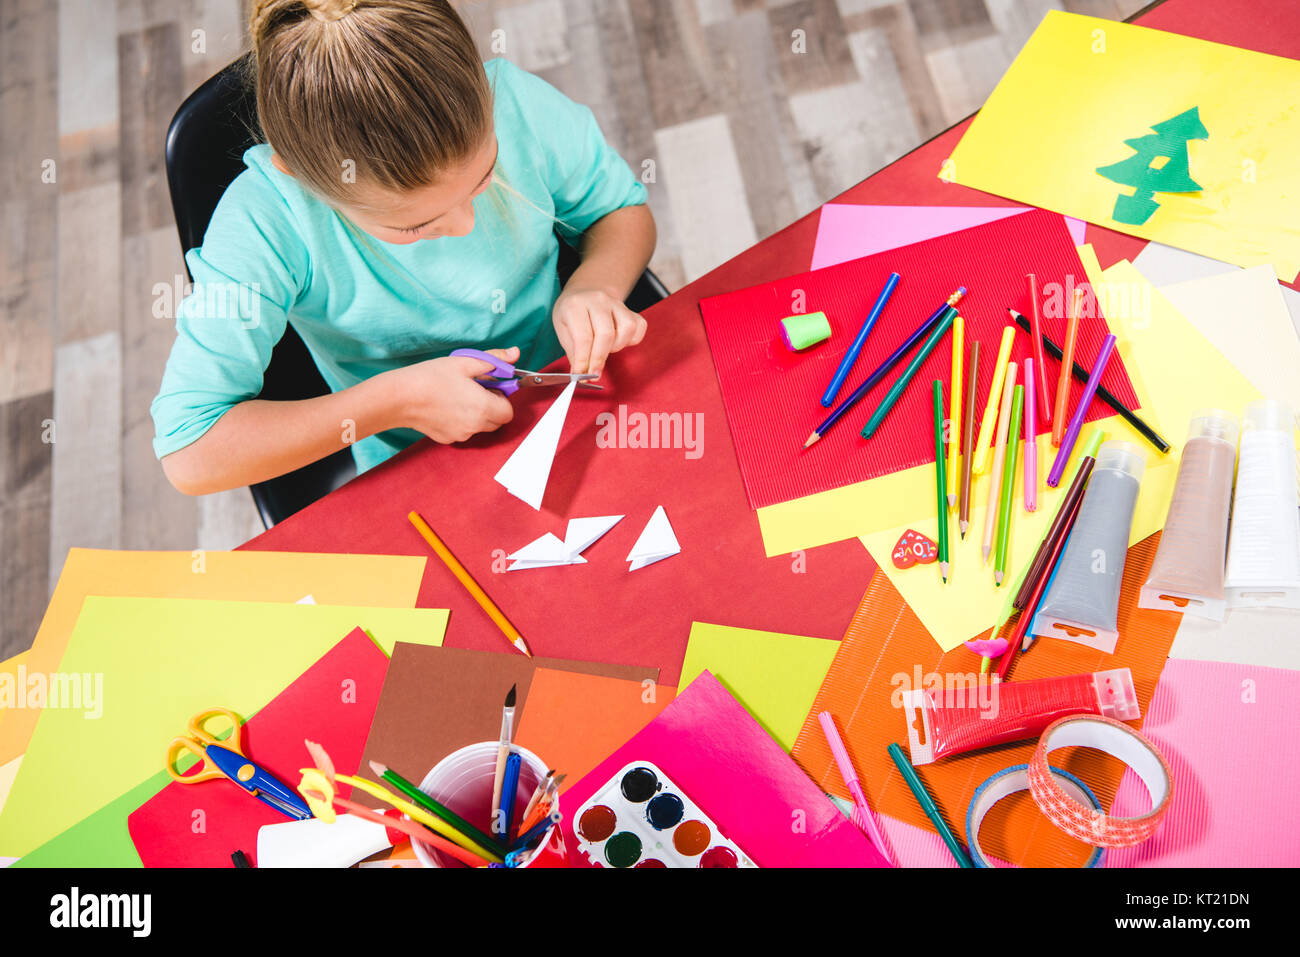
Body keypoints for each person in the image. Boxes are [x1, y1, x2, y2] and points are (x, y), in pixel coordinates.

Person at [153, 0, 656, 494]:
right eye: (416, 225)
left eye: (483, 181)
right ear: (306, 179)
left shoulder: (518, 106)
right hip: (412, 462)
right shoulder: (266, 224)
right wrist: (395, 403)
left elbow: (619, 211)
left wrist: (595, 285)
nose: (464, 225)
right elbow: (190, 452)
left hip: (577, 394)